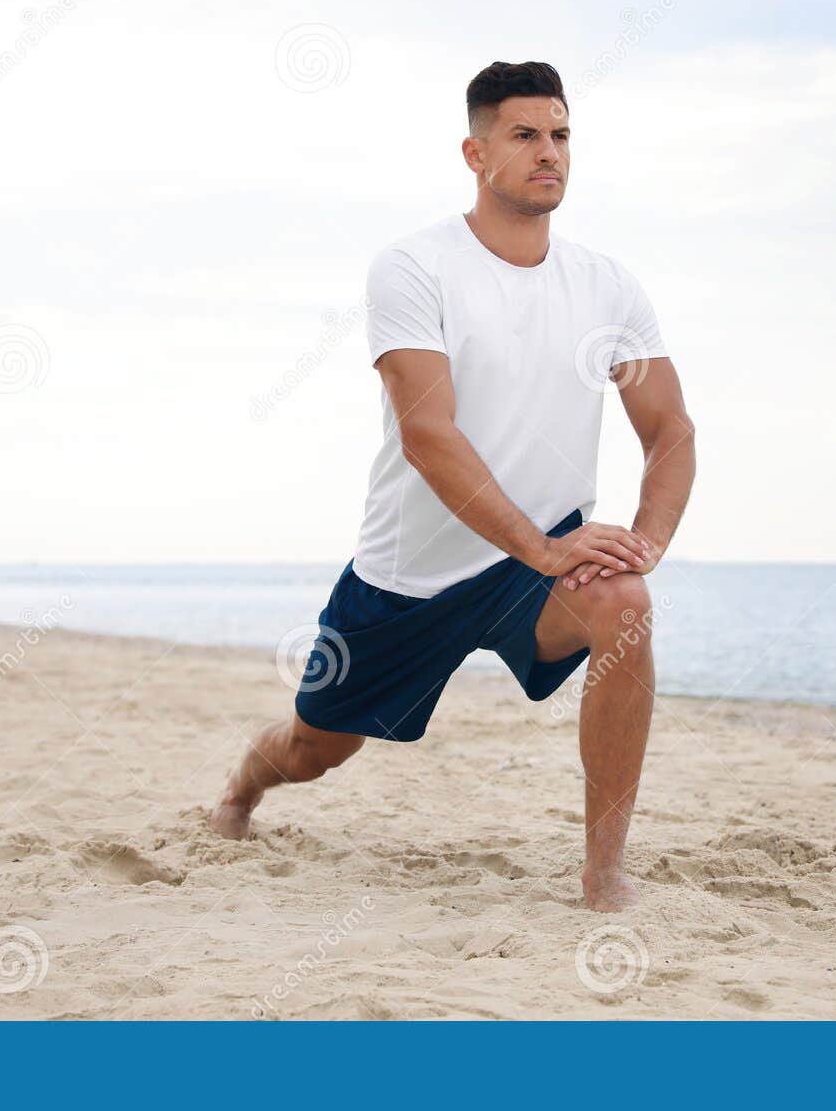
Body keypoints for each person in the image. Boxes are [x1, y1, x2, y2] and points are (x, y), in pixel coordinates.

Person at [212, 60, 695, 912]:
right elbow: (429, 435)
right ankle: (239, 792)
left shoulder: (607, 285)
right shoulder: (413, 267)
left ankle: (603, 873)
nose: (550, 153)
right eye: (525, 135)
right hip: (410, 575)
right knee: (312, 748)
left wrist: (644, 544)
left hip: (532, 572)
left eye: (561, 135)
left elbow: (670, 432)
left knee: (625, 601)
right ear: (475, 152)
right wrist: (542, 545)